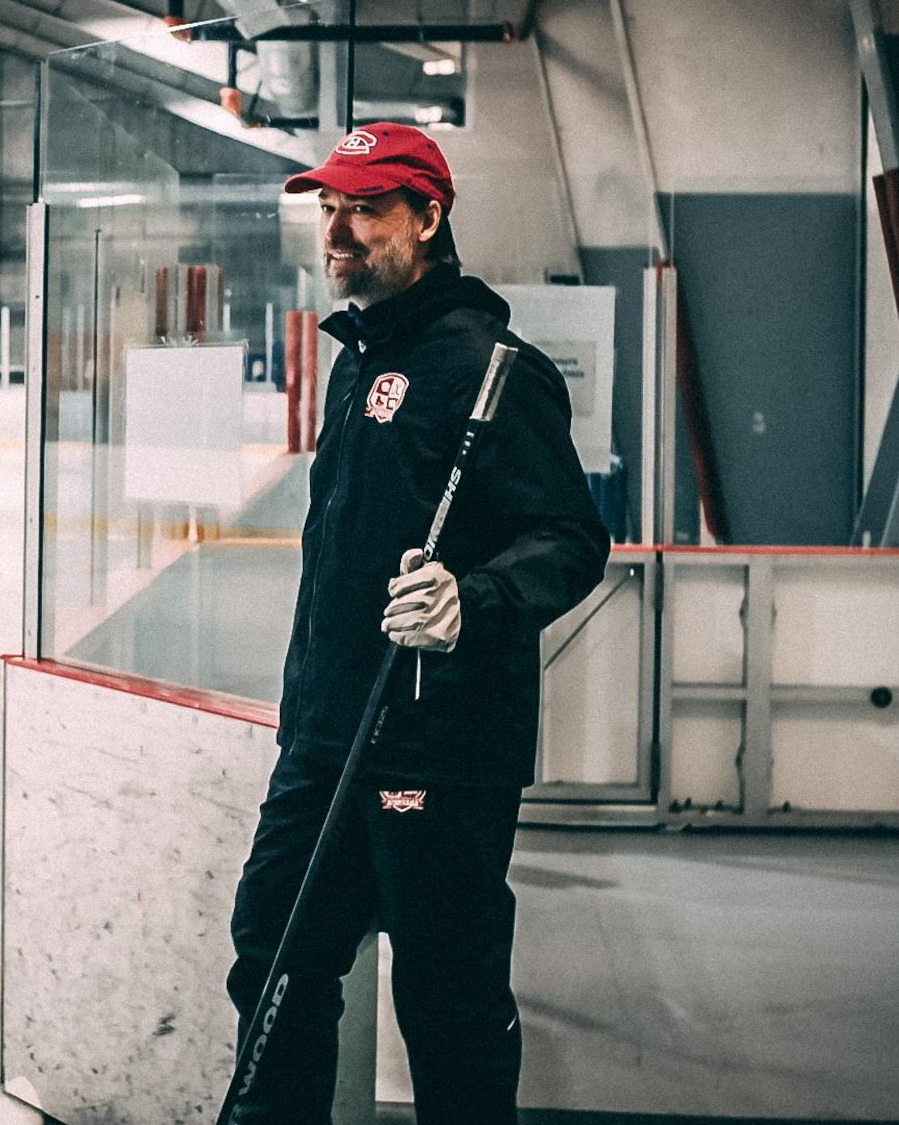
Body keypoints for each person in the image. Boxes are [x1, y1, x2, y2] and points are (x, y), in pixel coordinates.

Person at [226, 122, 610, 1123]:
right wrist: (301, 713)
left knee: (445, 1003)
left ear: (427, 218)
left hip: (437, 751)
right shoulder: (357, 362)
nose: (337, 230)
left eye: (364, 208)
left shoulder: (490, 368)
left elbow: (567, 539)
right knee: (271, 963)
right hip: (325, 740)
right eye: (328, 208)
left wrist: (469, 601)